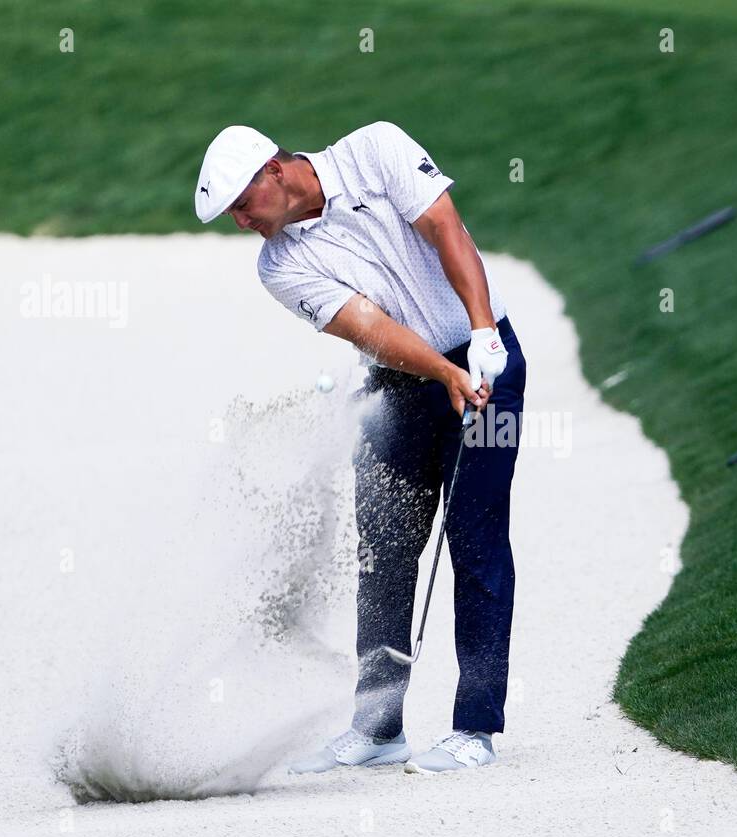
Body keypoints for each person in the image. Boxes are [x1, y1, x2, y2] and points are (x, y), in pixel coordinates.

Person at [194, 122, 525, 774]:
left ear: (274, 172)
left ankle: (475, 728)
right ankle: (379, 729)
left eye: (240, 204)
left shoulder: (375, 150)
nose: (239, 222)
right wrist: (443, 372)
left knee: (476, 536)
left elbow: (446, 230)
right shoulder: (278, 264)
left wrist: (482, 336)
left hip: (489, 365)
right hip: (401, 383)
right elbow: (368, 328)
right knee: (384, 544)